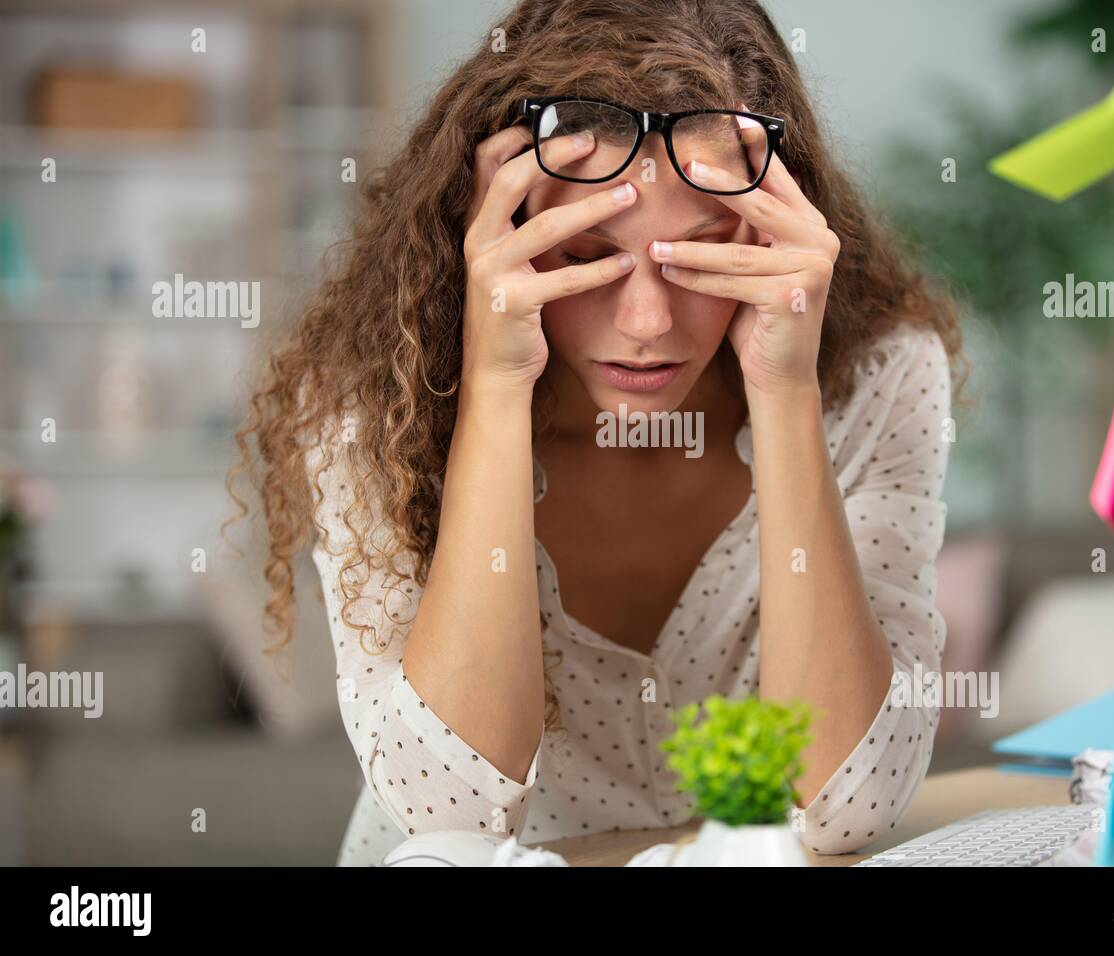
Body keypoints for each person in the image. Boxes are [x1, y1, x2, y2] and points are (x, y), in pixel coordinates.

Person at [229, 0, 962, 866]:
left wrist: (785, 390)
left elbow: (850, 806)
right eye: (583, 257)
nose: (648, 322)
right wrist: (495, 390)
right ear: (491, 230)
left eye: (702, 254)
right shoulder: (369, 403)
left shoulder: (881, 380)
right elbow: (453, 814)